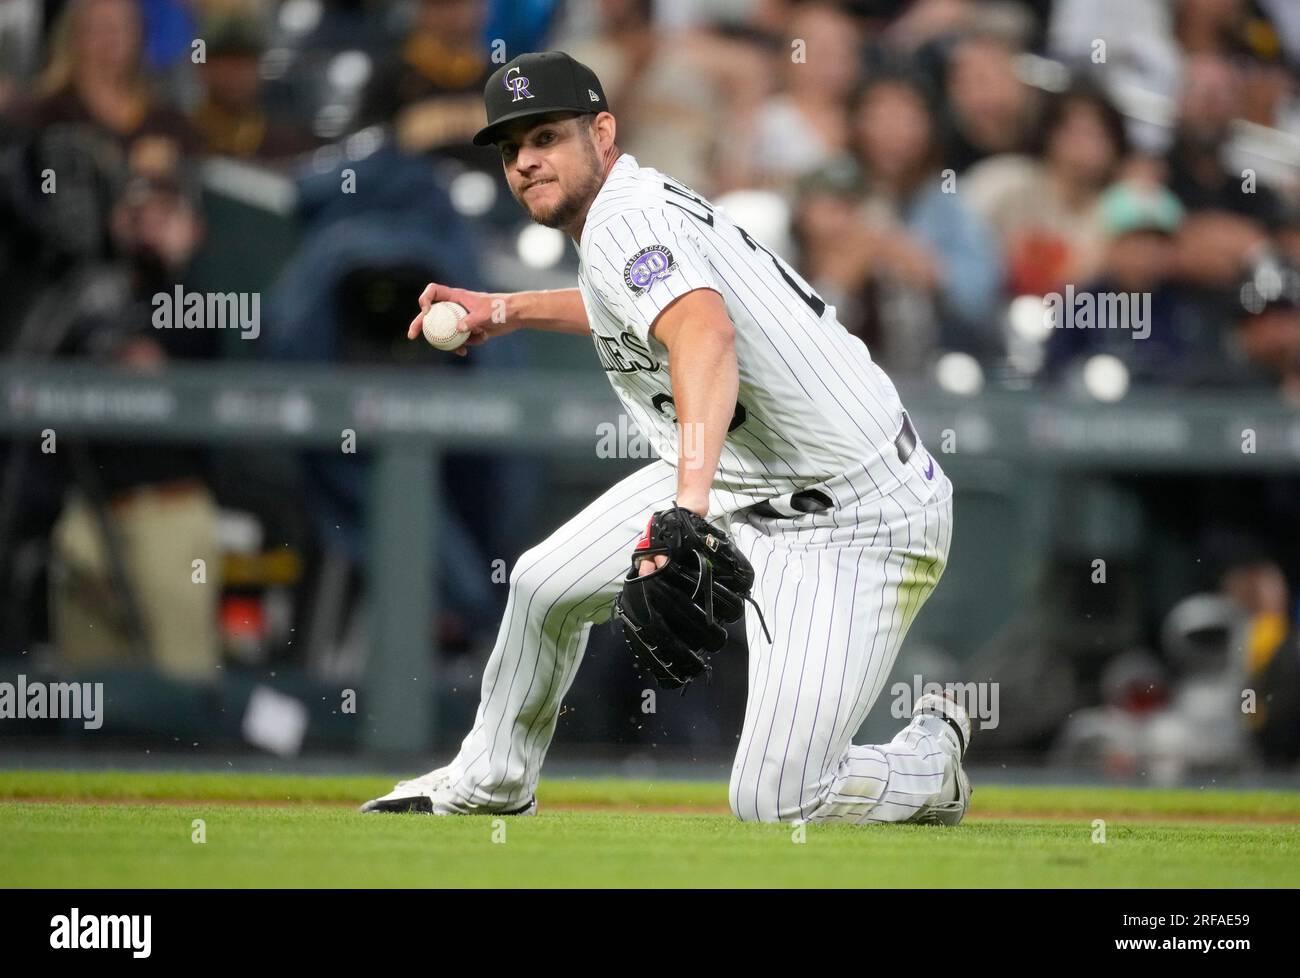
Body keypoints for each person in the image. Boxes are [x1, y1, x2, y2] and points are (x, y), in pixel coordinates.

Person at [362, 51, 970, 825]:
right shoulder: (624, 214)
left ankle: (927, 766)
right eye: (512, 149)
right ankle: (491, 782)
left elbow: (703, 333)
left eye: (546, 136)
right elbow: (625, 299)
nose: (526, 162)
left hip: (856, 518)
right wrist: (506, 309)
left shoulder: (627, 219)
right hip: (749, 473)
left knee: (777, 801)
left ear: (603, 131)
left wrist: (687, 505)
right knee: (545, 585)